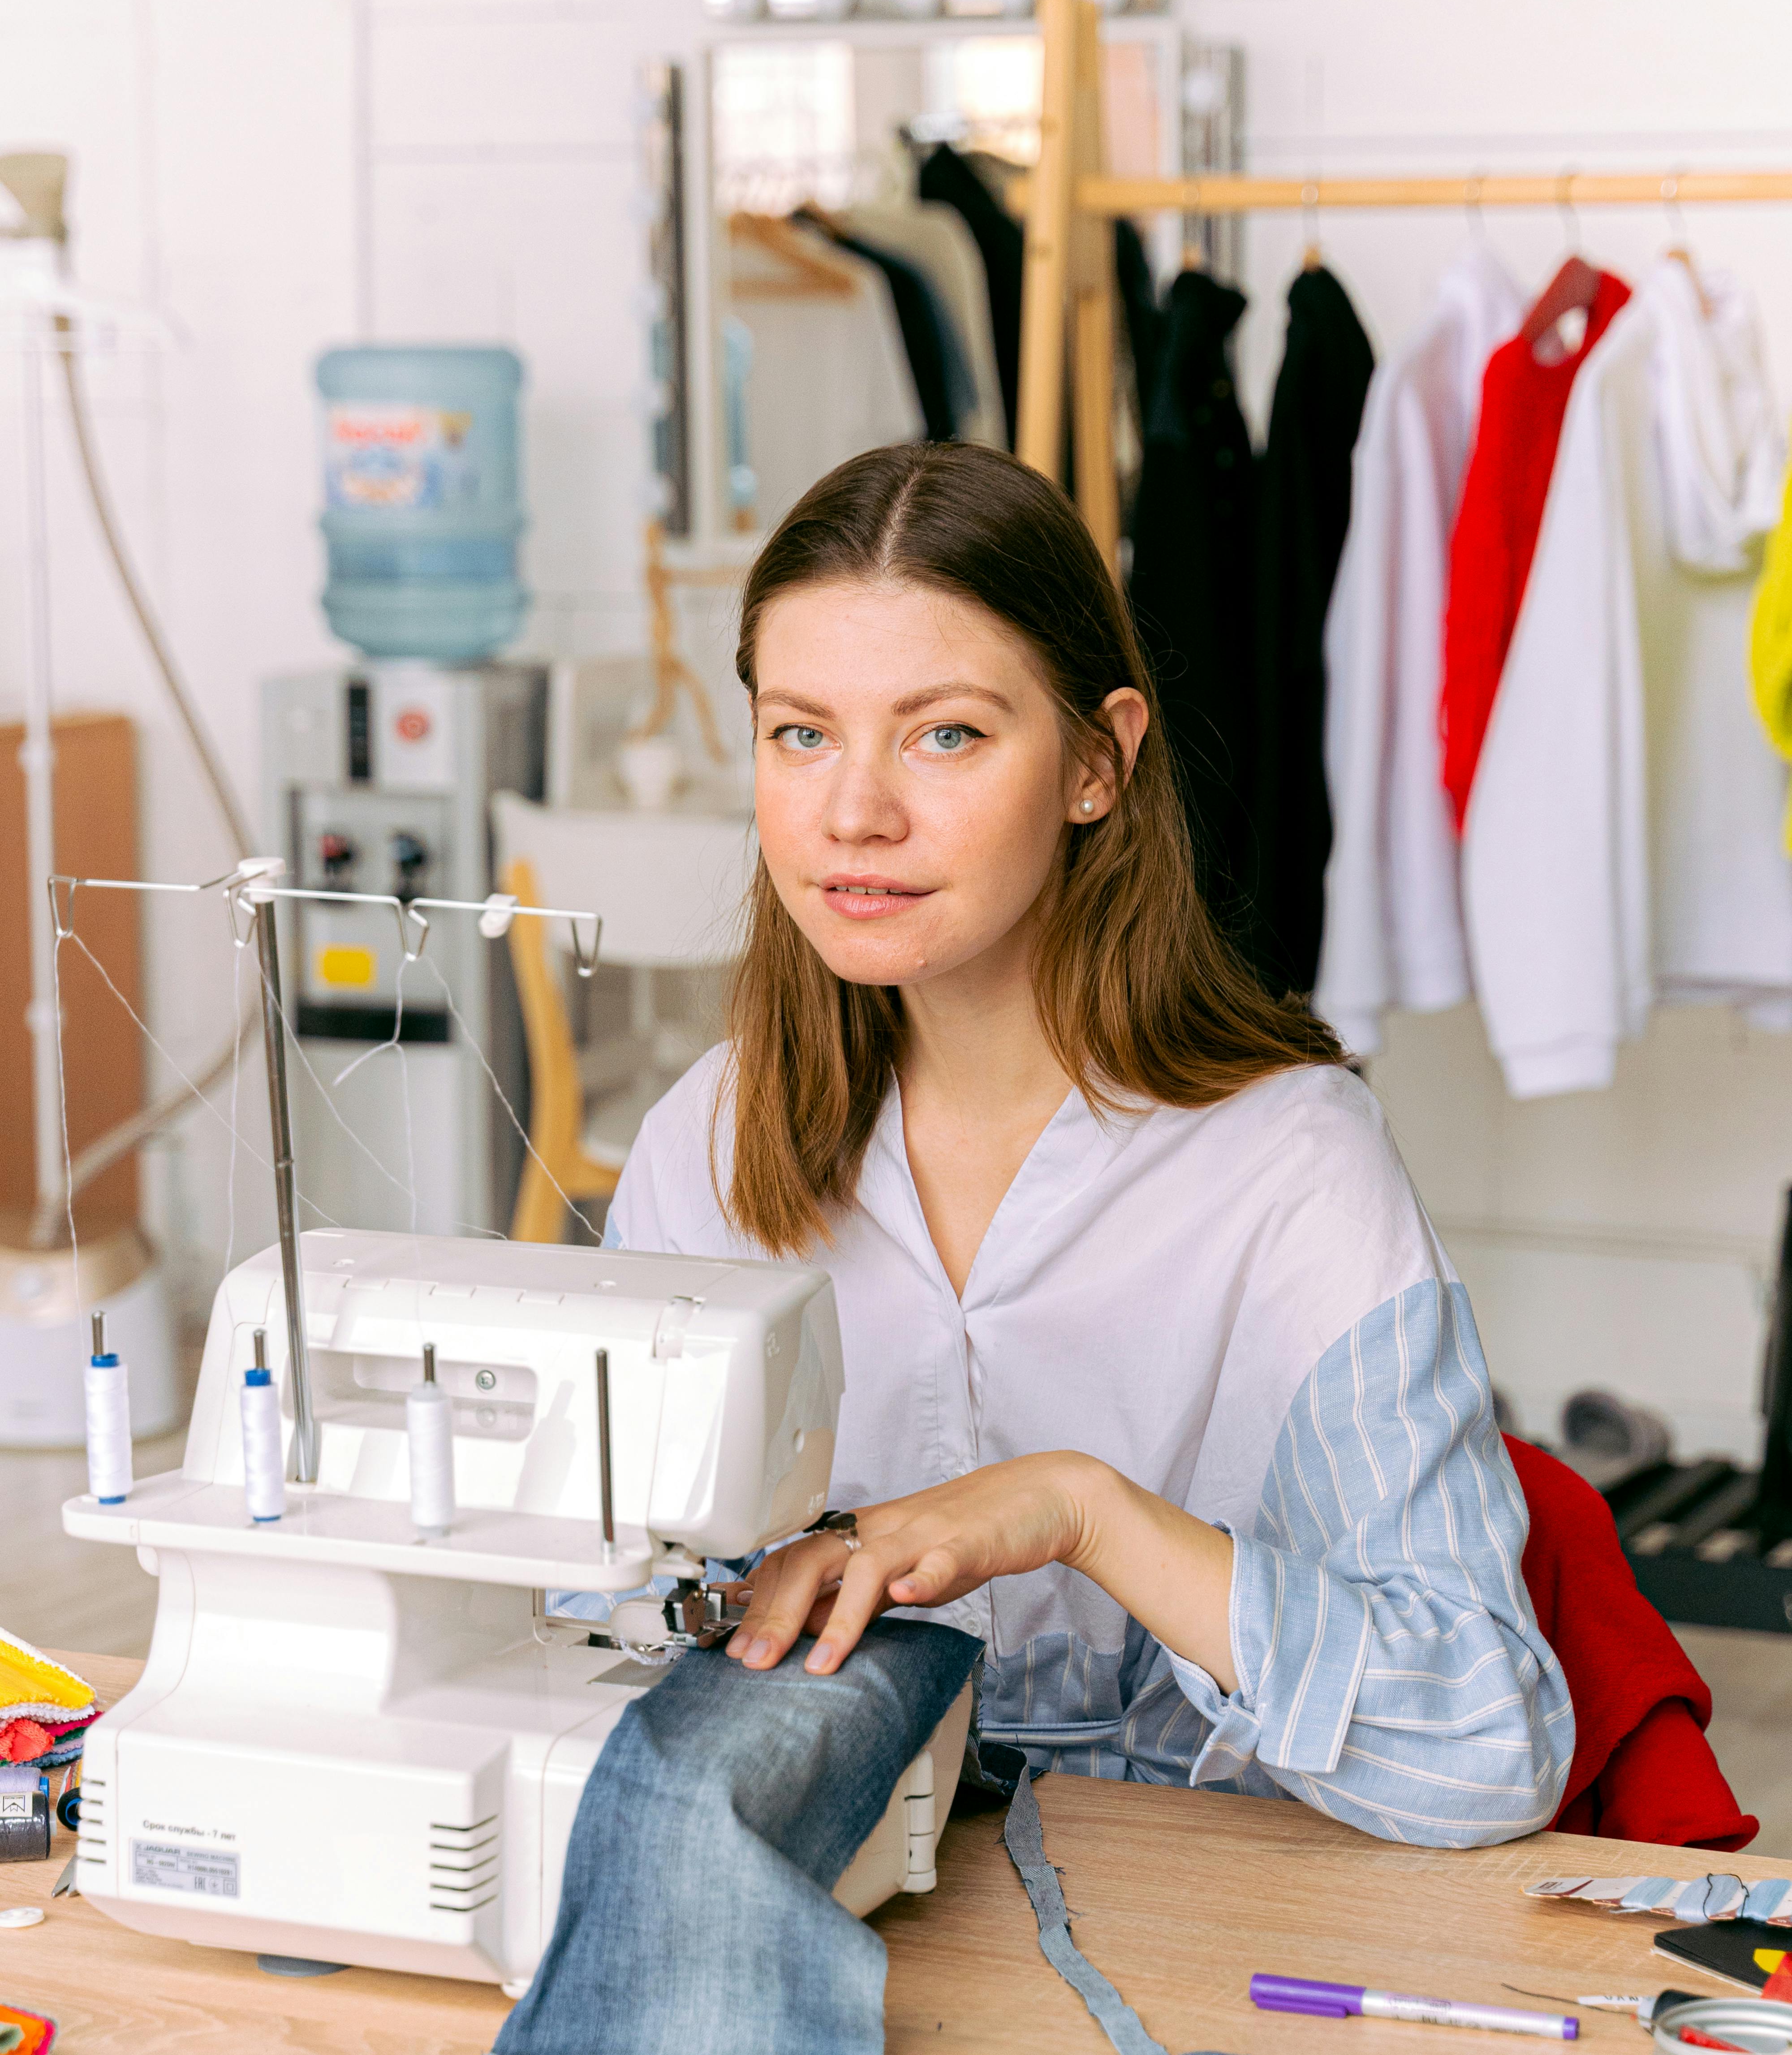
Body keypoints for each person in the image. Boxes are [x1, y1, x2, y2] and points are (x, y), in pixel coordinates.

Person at [606, 440, 1572, 1846]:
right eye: (800, 732)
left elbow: (1486, 1749)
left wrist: (1085, 1514)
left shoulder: (1291, 1168)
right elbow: (599, 1618)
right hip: (828, 1893)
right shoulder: (708, 1138)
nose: (853, 813)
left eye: (945, 734)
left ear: (1098, 763)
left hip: (1197, 1934)